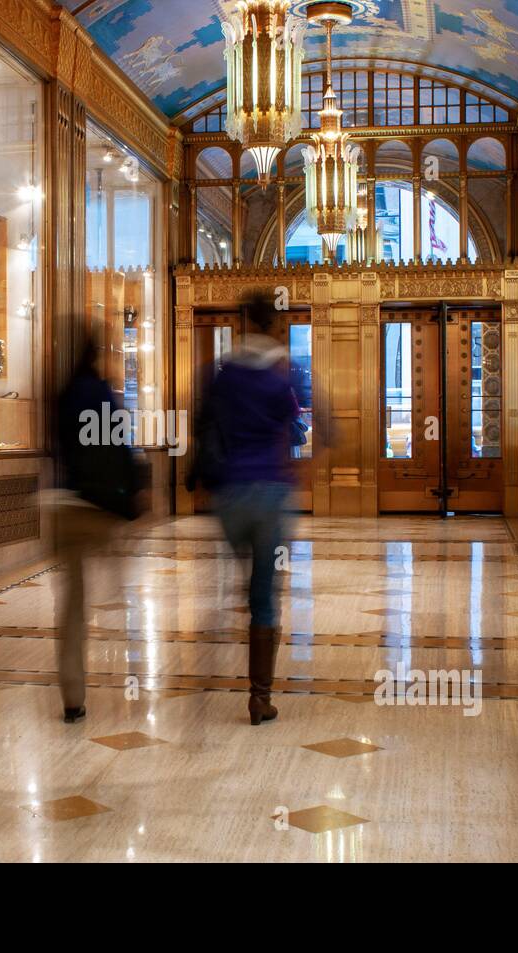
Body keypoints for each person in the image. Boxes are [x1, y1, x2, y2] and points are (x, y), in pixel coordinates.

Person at [194, 292, 299, 725]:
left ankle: (247, 592)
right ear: (273, 324)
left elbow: (205, 418)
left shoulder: (224, 372)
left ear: (243, 321)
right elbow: (294, 422)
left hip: (231, 495)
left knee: (249, 577)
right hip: (270, 492)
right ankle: (259, 698)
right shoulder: (280, 371)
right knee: (265, 595)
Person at [49, 329, 144, 724]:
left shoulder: (62, 395)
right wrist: (134, 492)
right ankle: (135, 671)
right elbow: (118, 444)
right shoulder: (101, 393)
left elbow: (58, 450)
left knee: (71, 606)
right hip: (98, 509)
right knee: (120, 585)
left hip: (65, 506)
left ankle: (73, 696)